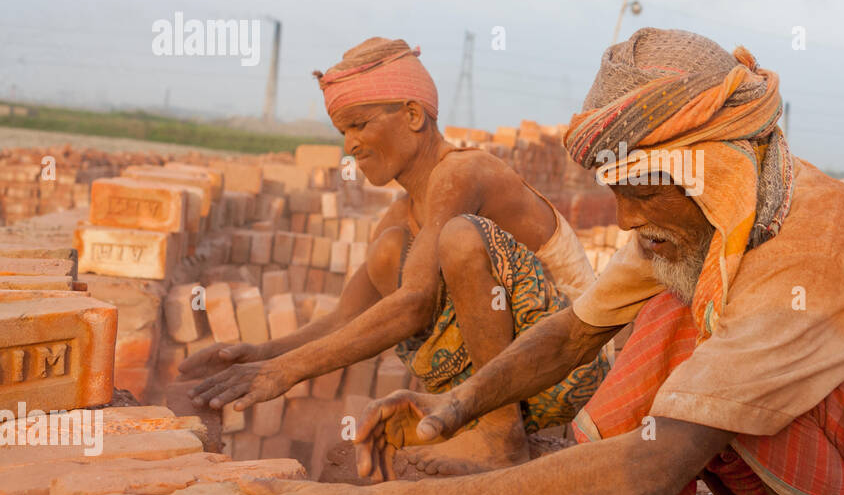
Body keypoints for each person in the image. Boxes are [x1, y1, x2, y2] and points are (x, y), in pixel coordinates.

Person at [189, 28, 844, 495]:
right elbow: (574, 330)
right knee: (682, 323)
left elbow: (654, 468)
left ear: (716, 167)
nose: (624, 216)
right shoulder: (701, 220)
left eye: (640, 189)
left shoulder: (804, 252)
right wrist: (451, 411)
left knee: (717, 372)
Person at [182, 36, 607, 471]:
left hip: (567, 364)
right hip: (504, 382)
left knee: (459, 239)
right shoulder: (401, 213)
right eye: (342, 132)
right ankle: (471, 424)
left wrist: (286, 371)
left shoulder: (463, 172)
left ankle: (501, 437)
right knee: (387, 253)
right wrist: (262, 355)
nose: (350, 144)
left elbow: (415, 305)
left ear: (412, 114)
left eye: (359, 124)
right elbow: (346, 317)